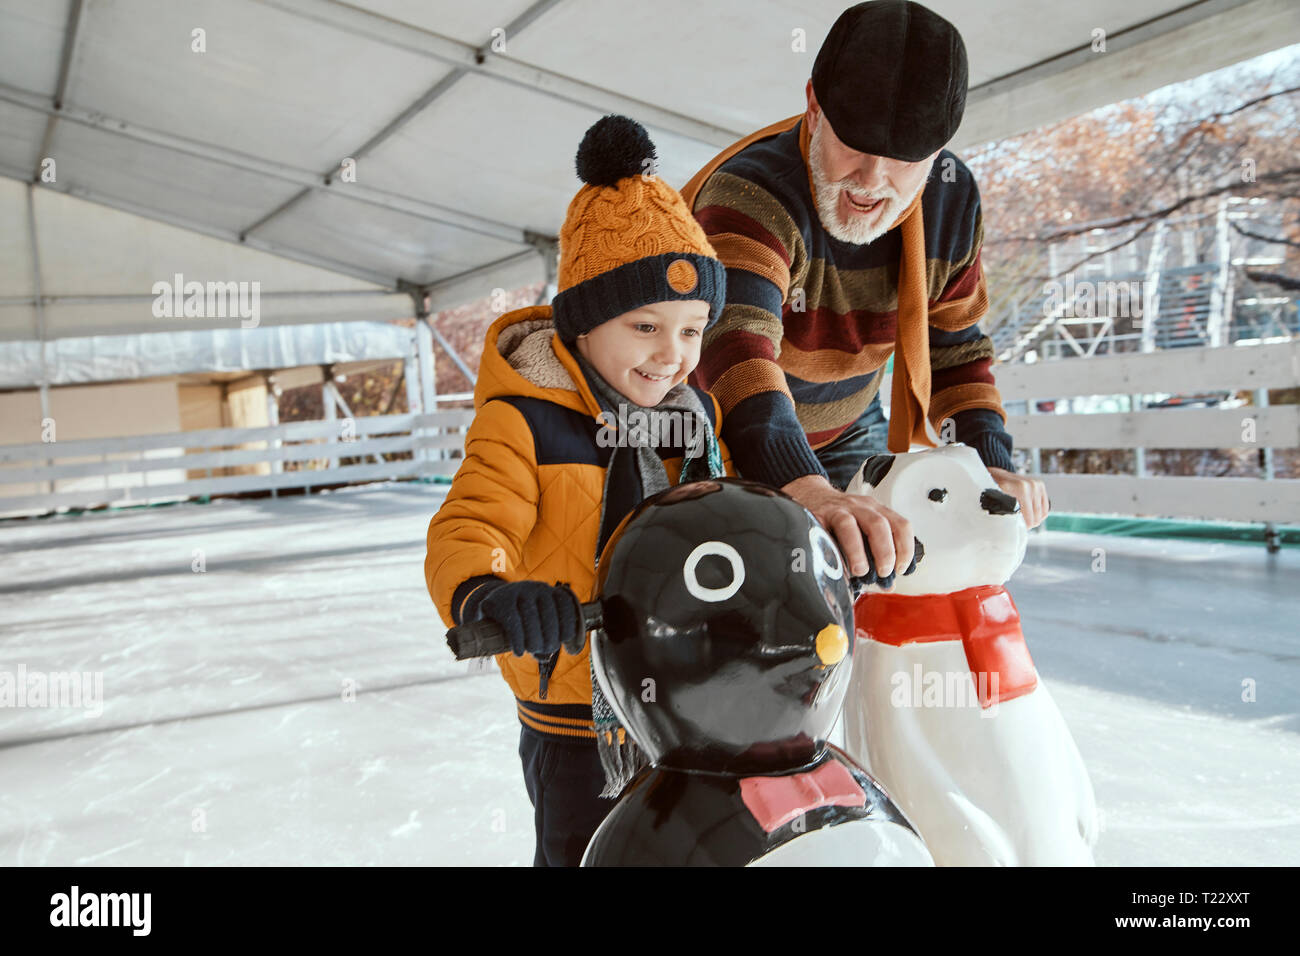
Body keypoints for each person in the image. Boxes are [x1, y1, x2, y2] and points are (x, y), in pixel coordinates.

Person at [424, 115, 733, 867]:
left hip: (688, 698)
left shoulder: (692, 424)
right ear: (586, 324)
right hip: (575, 712)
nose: (673, 356)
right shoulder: (524, 420)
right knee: (585, 854)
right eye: (646, 325)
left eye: (693, 331)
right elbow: (470, 523)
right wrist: (489, 596)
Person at [681, 0, 1050, 584]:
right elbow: (733, 347)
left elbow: (955, 350)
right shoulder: (750, 191)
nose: (872, 180)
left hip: (850, 424)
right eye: (853, 142)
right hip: (719, 430)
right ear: (814, 107)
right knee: (744, 606)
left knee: (875, 578)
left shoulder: (950, 201)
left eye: (905, 158)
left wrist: (988, 469)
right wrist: (804, 487)